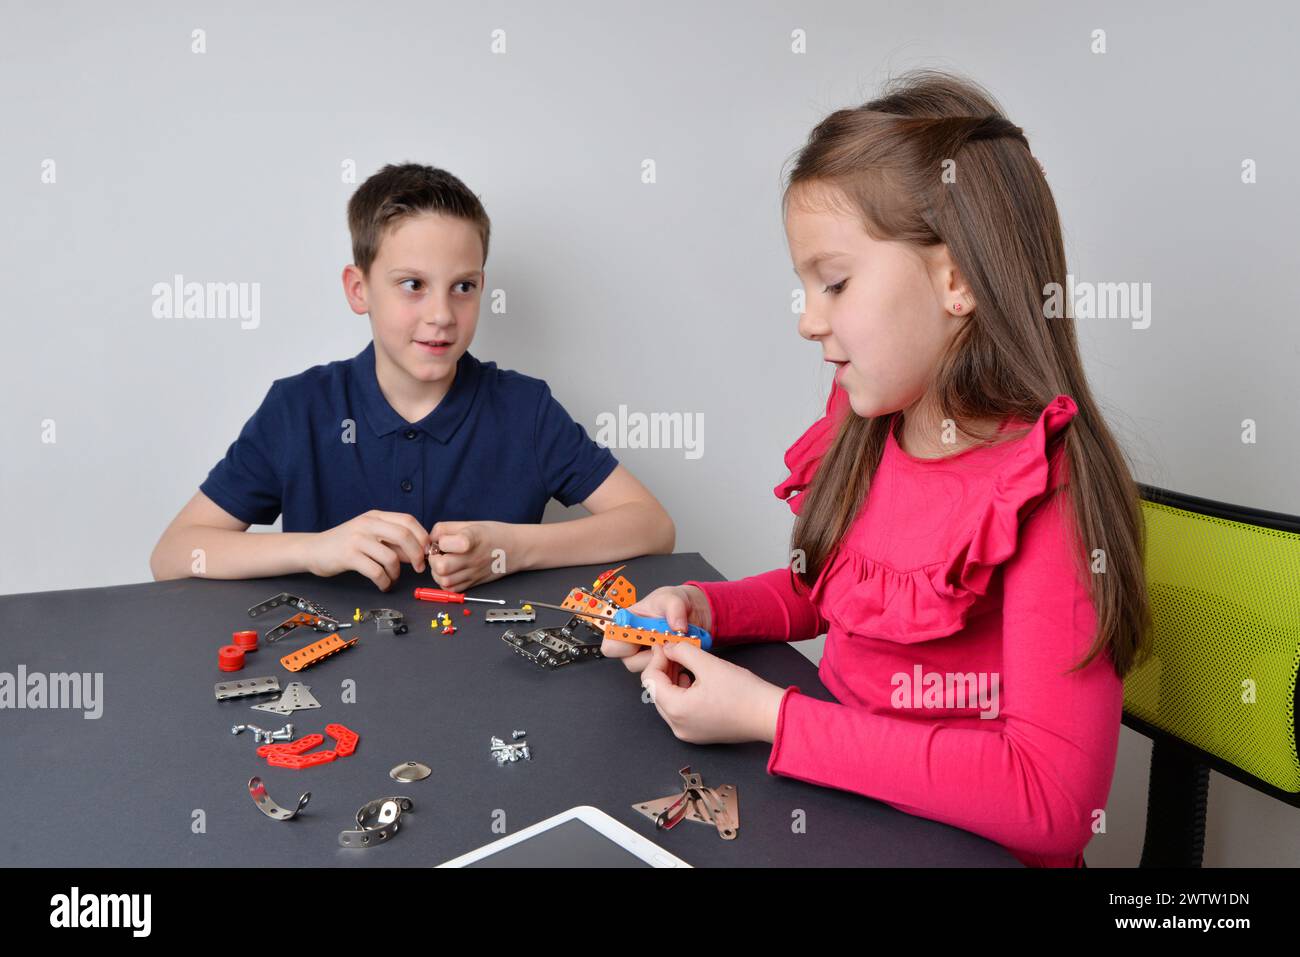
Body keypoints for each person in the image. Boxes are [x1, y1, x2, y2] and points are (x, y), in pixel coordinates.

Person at [604, 71, 1152, 867]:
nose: (806, 319)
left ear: (957, 278)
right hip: (850, 817)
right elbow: (834, 586)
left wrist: (773, 718)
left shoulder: (1046, 487)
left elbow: (1053, 802)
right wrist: (700, 605)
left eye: (834, 282)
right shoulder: (870, 424)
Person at [151, 163, 674, 591]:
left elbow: (652, 525)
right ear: (359, 290)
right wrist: (316, 547)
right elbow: (174, 553)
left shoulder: (524, 409)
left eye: (463, 286)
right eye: (413, 285)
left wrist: (512, 549)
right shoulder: (299, 409)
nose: (442, 314)